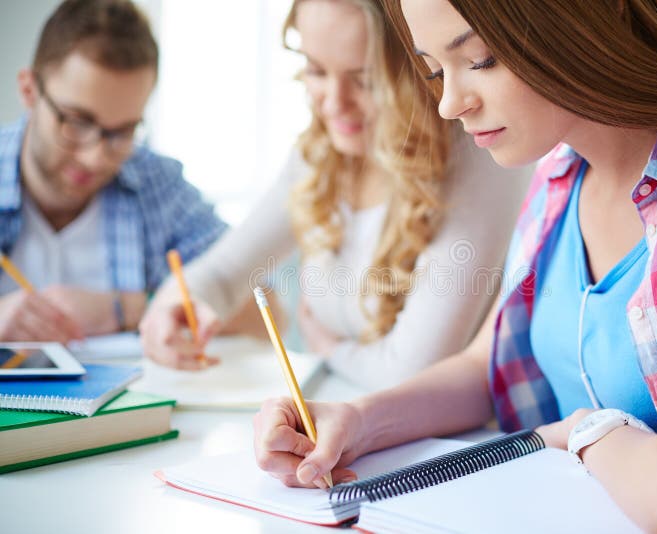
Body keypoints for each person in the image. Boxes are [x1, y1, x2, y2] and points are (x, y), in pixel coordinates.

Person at [251, 0, 657, 531]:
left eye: (481, 59)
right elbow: (485, 369)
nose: (449, 103)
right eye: (435, 69)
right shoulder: (560, 174)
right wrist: (357, 422)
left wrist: (589, 432)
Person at [138, 0, 531, 386]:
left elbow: (412, 373)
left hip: (451, 443)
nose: (334, 103)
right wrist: (172, 308)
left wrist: (328, 349)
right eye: (316, 70)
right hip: (345, 420)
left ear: (422, 68)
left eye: (365, 79)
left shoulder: (477, 155)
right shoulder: (319, 153)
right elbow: (224, 273)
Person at [0, 0, 226, 342]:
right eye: (77, 121)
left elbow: (262, 304)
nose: (95, 157)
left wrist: (124, 309)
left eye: (122, 132)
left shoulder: (157, 184)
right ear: (29, 90)